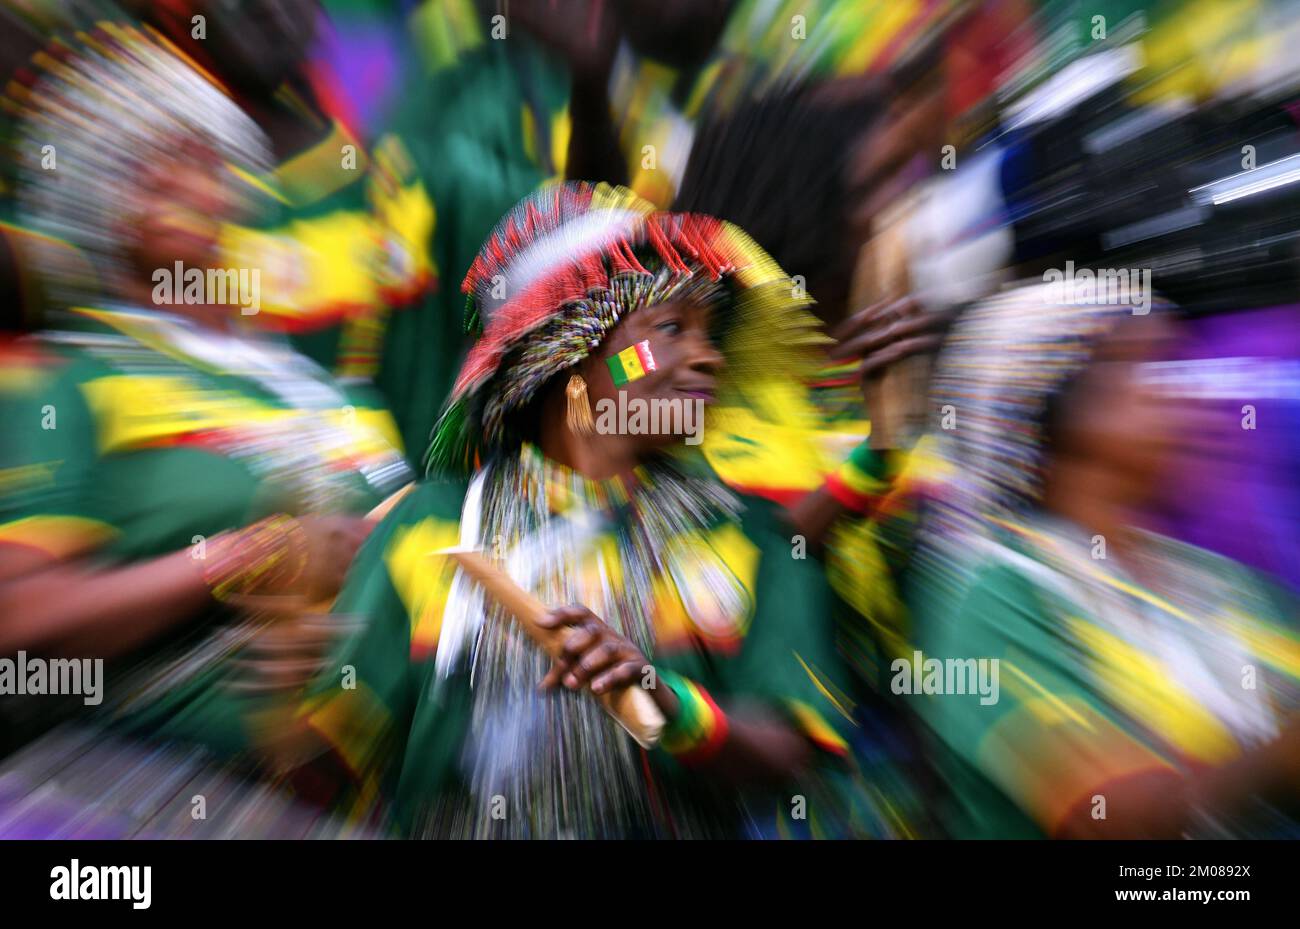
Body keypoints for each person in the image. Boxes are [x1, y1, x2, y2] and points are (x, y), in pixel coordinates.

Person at [266, 182, 883, 838]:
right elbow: (323, 774)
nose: (709, 356)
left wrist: (670, 704)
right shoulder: (432, 527)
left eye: (709, 331)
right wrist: (278, 691)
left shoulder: (748, 536)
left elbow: (790, 753)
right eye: (669, 328)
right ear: (570, 347)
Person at [0, 23, 411, 760]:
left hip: (381, 785)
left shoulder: (329, 393)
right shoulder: (71, 379)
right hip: (181, 788)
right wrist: (242, 556)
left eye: (191, 156)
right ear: (95, 208)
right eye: (130, 168)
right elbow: (19, 623)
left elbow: (414, 550)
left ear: (232, 183)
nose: (167, 179)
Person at [906, 282, 1300, 838]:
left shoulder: (1219, 581)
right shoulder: (992, 598)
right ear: (1050, 420)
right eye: (1147, 368)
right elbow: (1118, 821)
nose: (1190, 393)